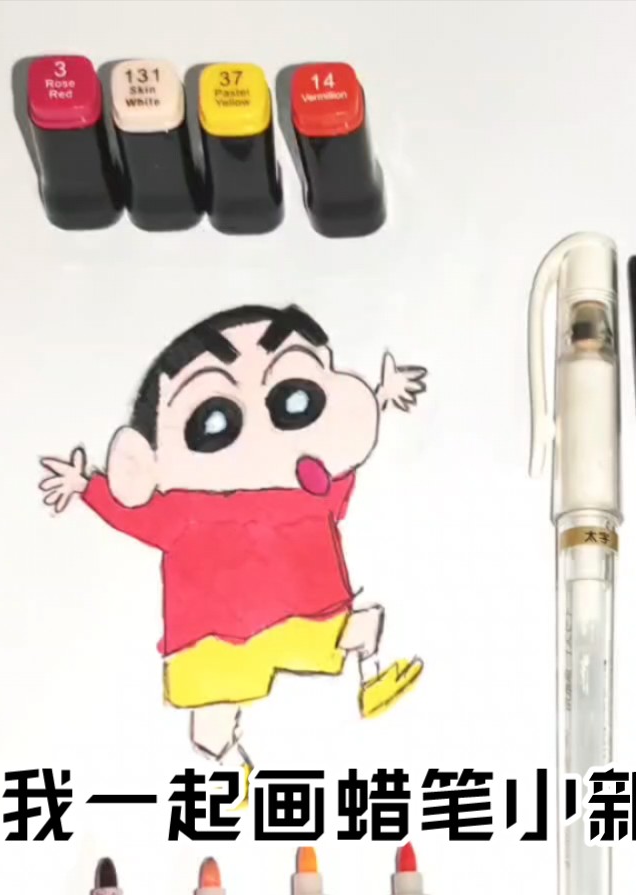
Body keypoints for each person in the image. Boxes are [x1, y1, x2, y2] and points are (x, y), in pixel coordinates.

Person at [39, 304, 427, 798]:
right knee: (212, 719)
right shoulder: (185, 511)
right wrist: (89, 486)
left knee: (355, 627)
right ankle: (230, 770)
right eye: (213, 421)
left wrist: (378, 400)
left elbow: (344, 461)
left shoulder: (305, 490)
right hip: (216, 635)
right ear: (145, 459)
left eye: (295, 400)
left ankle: (371, 680)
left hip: (299, 616)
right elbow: (132, 514)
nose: (261, 434)